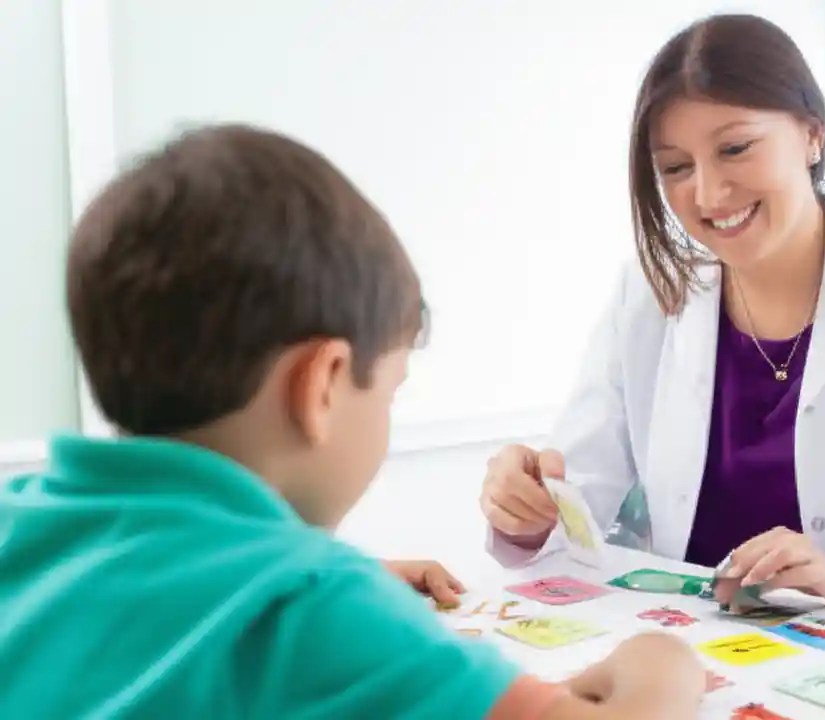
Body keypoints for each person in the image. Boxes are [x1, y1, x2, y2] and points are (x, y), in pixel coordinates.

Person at [0, 125, 703, 719]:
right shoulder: (312, 607)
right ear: (324, 385)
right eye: (392, 388)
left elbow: (146, 605)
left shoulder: (18, 527)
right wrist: (662, 667)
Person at [480, 13, 825, 641]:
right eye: (675, 167)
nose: (710, 193)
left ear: (812, 136)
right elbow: (578, 507)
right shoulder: (650, 295)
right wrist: (529, 512)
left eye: (735, 148)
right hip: (705, 651)